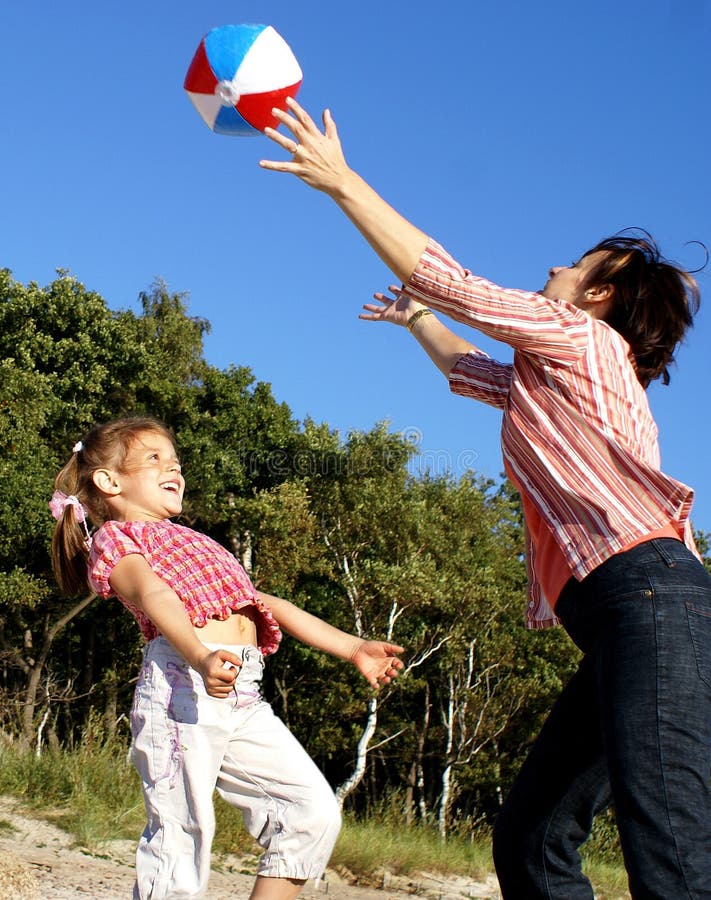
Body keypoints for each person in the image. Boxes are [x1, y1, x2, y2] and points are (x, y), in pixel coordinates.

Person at [260, 99, 711, 899]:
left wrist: (341, 182)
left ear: (600, 295)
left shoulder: (581, 339)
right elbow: (470, 372)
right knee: (533, 838)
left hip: (650, 598)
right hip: (621, 616)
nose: (552, 269)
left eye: (572, 265)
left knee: (670, 849)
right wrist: (416, 319)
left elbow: (456, 283)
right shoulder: (554, 378)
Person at [49, 416, 404, 900]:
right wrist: (198, 654)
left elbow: (266, 605)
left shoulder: (194, 540)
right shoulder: (119, 539)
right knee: (181, 832)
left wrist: (351, 646)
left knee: (310, 811)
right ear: (110, 482)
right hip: (181, 685)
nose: (173, 467)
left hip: (241, 693)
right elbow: (153, 593)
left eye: (174, 460)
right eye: (154, 458)